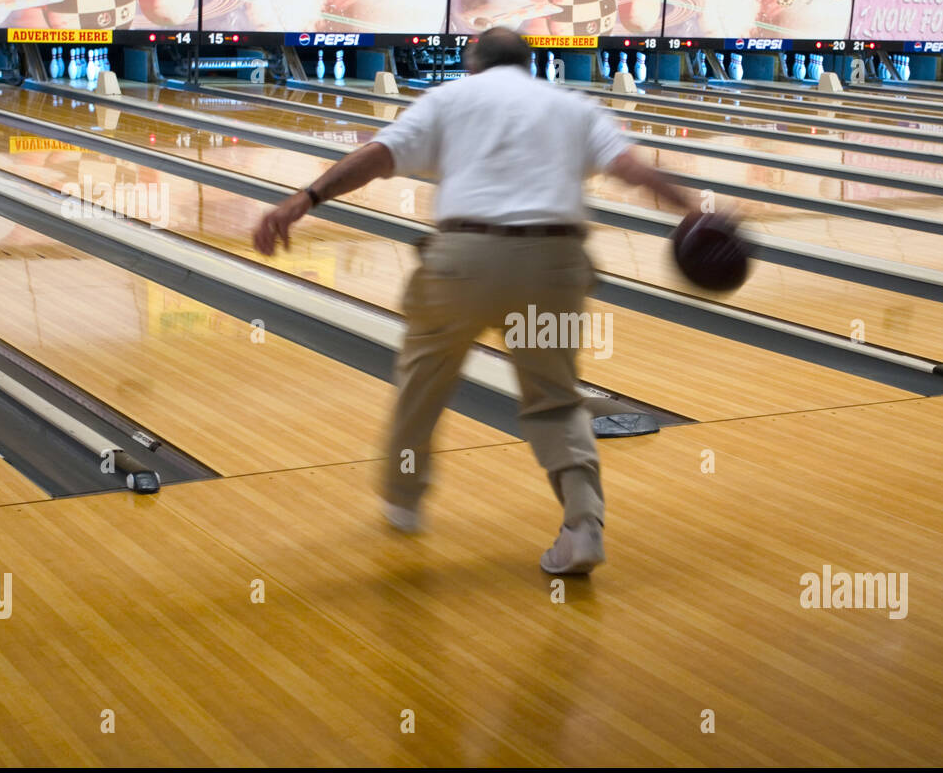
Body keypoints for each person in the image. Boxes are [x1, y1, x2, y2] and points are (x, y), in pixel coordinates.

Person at [254, 28, 691, 574]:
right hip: (552, 265)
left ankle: (404, 499)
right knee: (555, 399)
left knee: (424, 380)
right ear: (530, 64)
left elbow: (378, 155)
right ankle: (582, 525)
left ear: (471, 63)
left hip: (463, 259)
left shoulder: (450, 97)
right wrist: (694, 212)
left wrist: (306, 198)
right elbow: (634, 170)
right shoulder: (570, 104)